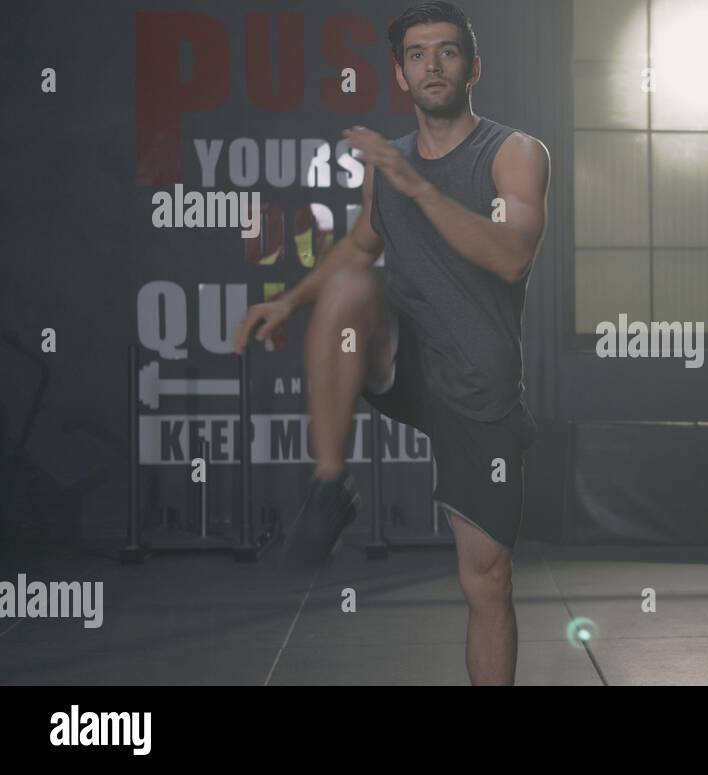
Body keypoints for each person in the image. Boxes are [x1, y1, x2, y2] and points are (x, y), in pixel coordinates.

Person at [232, 1, 550, 686]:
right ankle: (328, 485)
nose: (431, 65)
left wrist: (417, 187)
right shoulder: (390, 163)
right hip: (406, 359)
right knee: (350, 287)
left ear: (473, 65)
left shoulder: (514, 154)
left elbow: (512, 255)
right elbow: (359, 243)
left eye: (446, 51)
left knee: (488, 580)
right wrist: (288, 298)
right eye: (416, 54)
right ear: (400, 75)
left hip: (477, 385)